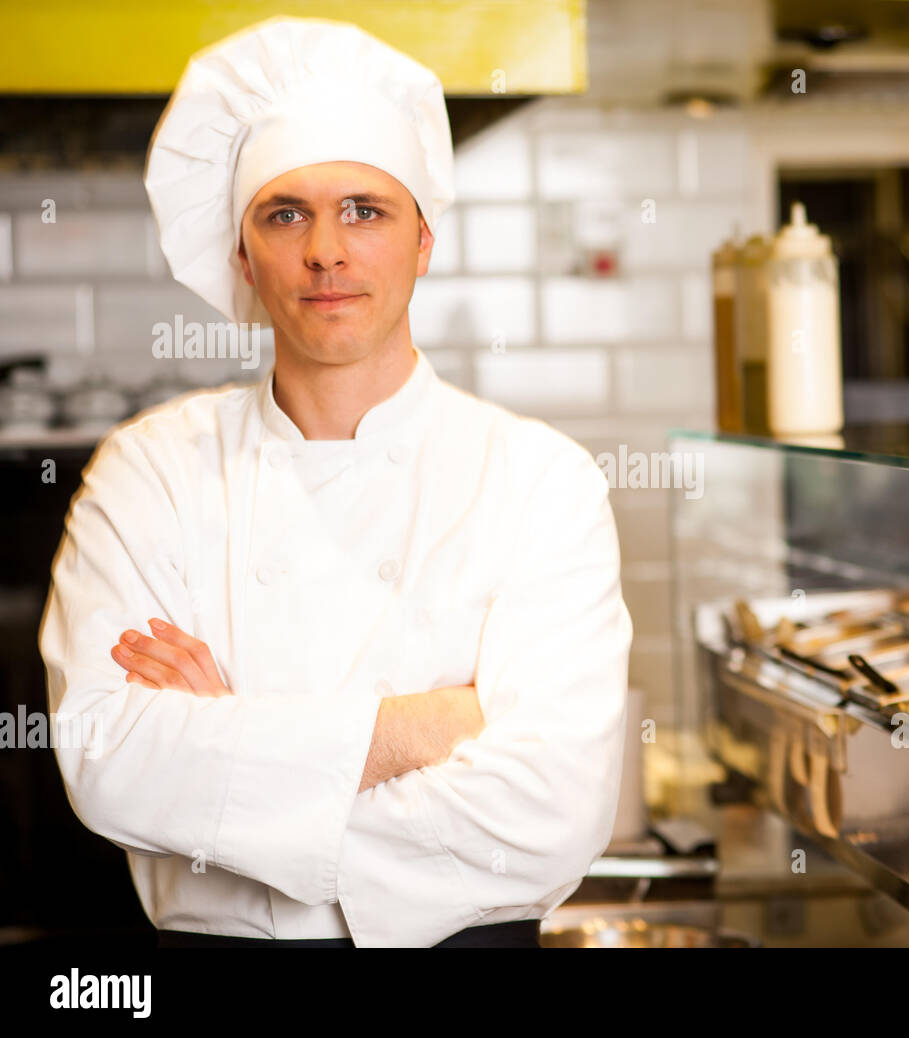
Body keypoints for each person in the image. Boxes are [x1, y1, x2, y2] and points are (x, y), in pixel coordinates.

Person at [37, 16, 633, 948]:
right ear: (243, 255)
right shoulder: (148, 471)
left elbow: (553, 813)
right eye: (286, 213)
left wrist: (231, 750)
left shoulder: (539, 481)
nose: (326, 249)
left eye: (365, 209)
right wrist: (421, 729)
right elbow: (109, 762)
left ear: (423, 242)